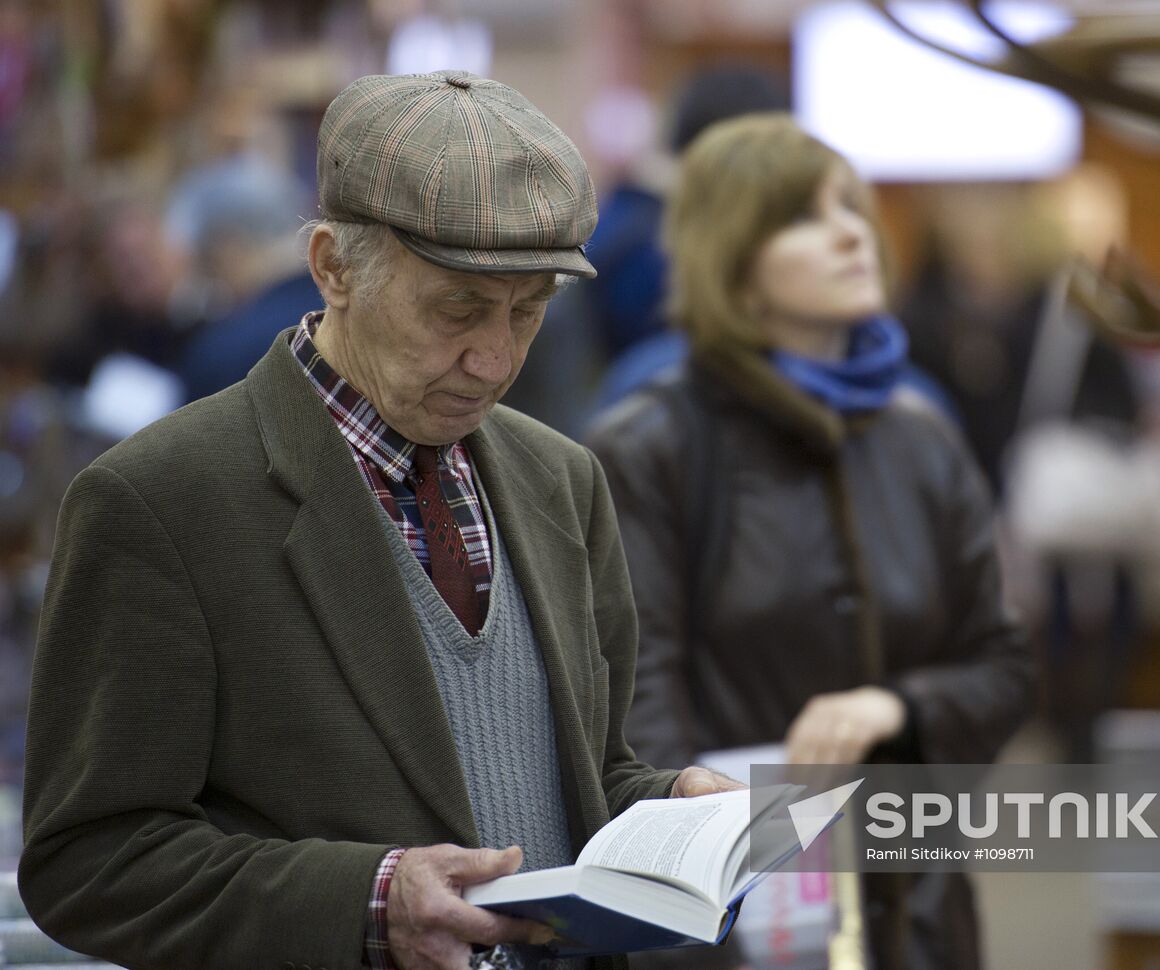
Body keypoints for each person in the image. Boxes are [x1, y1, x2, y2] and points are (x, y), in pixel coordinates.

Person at [19, 70, 733, 970]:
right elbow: (89, 861)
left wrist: (667, 805)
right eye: (457, 310)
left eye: (530, 311)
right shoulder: (161, 501)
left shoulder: (563, 481)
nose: (494, 358)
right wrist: (368, 899)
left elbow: (581, 772)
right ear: (331, 265)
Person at [586, 115, 1036, 970]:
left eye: (853, 207)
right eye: (805, 215)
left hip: (920, 918)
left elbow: (1005, 666)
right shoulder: (653, 447)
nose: (850, 232)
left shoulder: (920, 436)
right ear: (734, 261)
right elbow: (638, 717)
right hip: (736, 927)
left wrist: (896, 705)